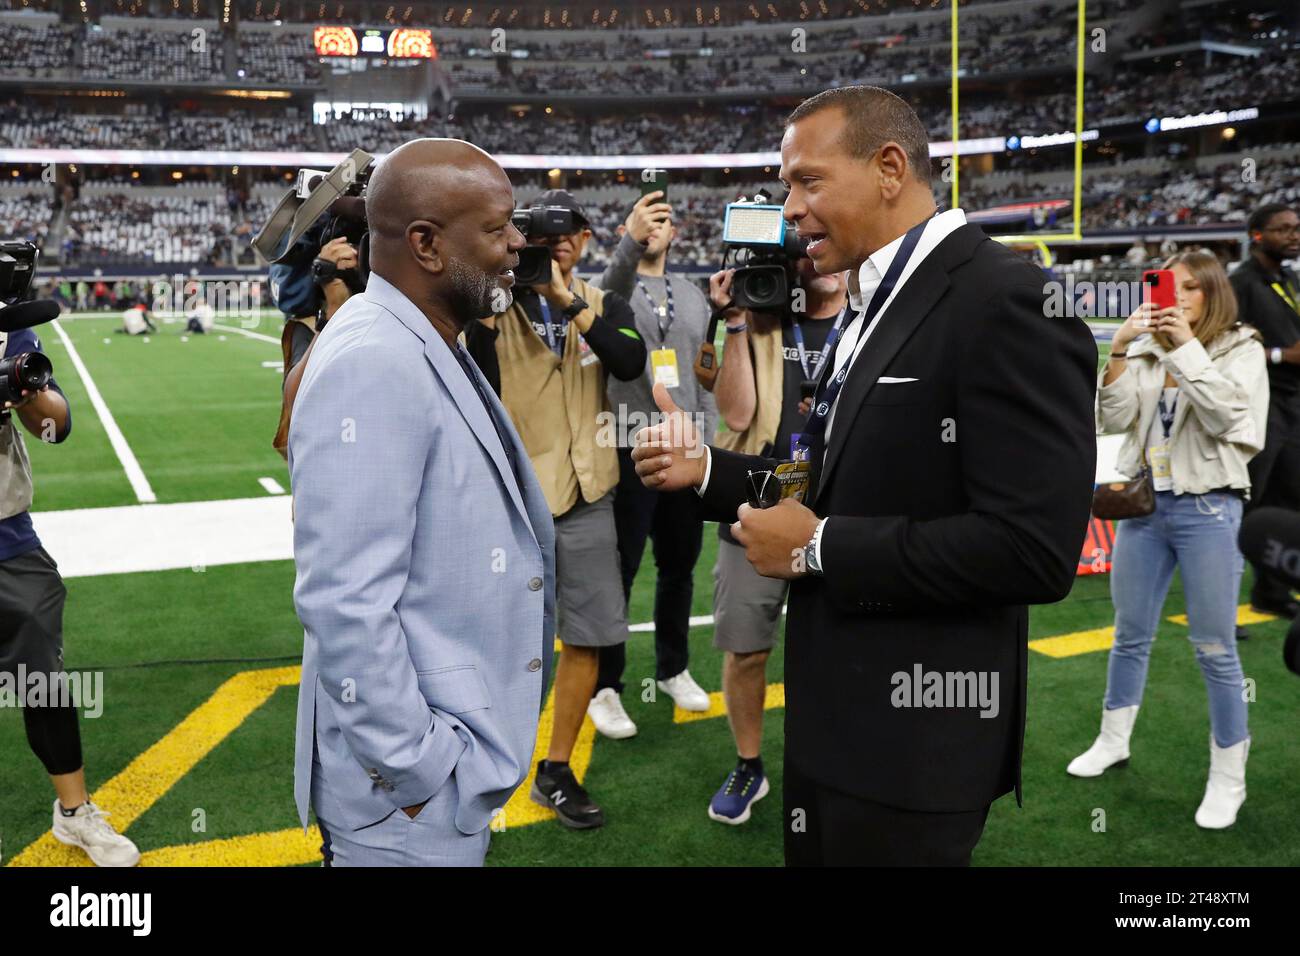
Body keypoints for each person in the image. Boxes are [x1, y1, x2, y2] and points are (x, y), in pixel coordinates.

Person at [633, 85, 1096, 865]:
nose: (789, 209)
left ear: (889, 168)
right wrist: (709, 470)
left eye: (808, 182)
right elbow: (823, 481)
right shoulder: (871, 300)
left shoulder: (1008, 299)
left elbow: (1034, 549)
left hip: (913, 748)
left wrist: (820, 551)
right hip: (835, 722)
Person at [289, 138, 556, 867]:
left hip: (432, 779)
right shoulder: (376, 359)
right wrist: (417, 770)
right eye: (499, 228)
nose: (517, 245)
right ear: (428, 245)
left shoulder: (426, 337)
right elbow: (344, 600)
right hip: (405, 803)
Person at [464, 188, 646, 829]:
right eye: (543, 232)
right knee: (502, 642)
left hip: (590, 495)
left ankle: (557, 769)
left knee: (589, 636)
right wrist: (506, 292)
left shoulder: (604, 303)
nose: (557, 241)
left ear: (588, 239)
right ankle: (484, 767)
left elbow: (630, 360)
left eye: (569, 230)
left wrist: (566, 299)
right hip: (515, 504)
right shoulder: (494, 305)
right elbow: (475, 372)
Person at [1071, 250, 1268, 828]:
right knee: (1129, 636)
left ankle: (1229, 778)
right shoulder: (1151, 347)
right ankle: (1113, 739)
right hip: (1145, 505)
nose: (1175, 297)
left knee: (1214, 648)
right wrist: (1120, 351)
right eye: (1164, 286)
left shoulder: (1243, 348)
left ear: (1212, 292)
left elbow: (1232, 420)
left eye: (1188, 288)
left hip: (1208, 506)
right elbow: (1112, 419)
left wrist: (1185, 347)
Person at [704, 257, 851, 825]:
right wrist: (736, 321)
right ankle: (748, 763)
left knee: (841, 653)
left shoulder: (871, 318)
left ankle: (835, 765)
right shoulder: (762, 319)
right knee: (746, 649)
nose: (824, 261)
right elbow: (737, 413)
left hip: (836, 512)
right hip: (757, 506)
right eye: (808, 250)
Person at [0, 308, 139, 866]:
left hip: (6, 533)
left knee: (43, 681)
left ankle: (74, 813)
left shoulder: (9, 326)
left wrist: (20, 385)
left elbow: (56, 424)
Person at [587, 189, 717, 740]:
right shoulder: (609, 288)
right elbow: (601, 302)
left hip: (684, 448)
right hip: (626, 443)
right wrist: (628, 242)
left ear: (677, 234)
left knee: (679, 566)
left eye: (664, 221)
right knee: (619, 571)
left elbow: (702, 375)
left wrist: (706, 436)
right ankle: (606, 685)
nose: (655, 228)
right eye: (645, 222)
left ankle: (671, 666)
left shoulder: (693, 295)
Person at [1230, 203, 1300, 618]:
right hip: (1259, 403)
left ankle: (1272, 590)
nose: (1293, 235)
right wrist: (1278, 356)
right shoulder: (1241, 283)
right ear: (1257, 235)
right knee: (1248, 498)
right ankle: (1220, 595)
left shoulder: (1289, 278)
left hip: (1293, 403)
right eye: (1283, 229)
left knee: (1290, 496)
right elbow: (1226, 342)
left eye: (1296, 228)